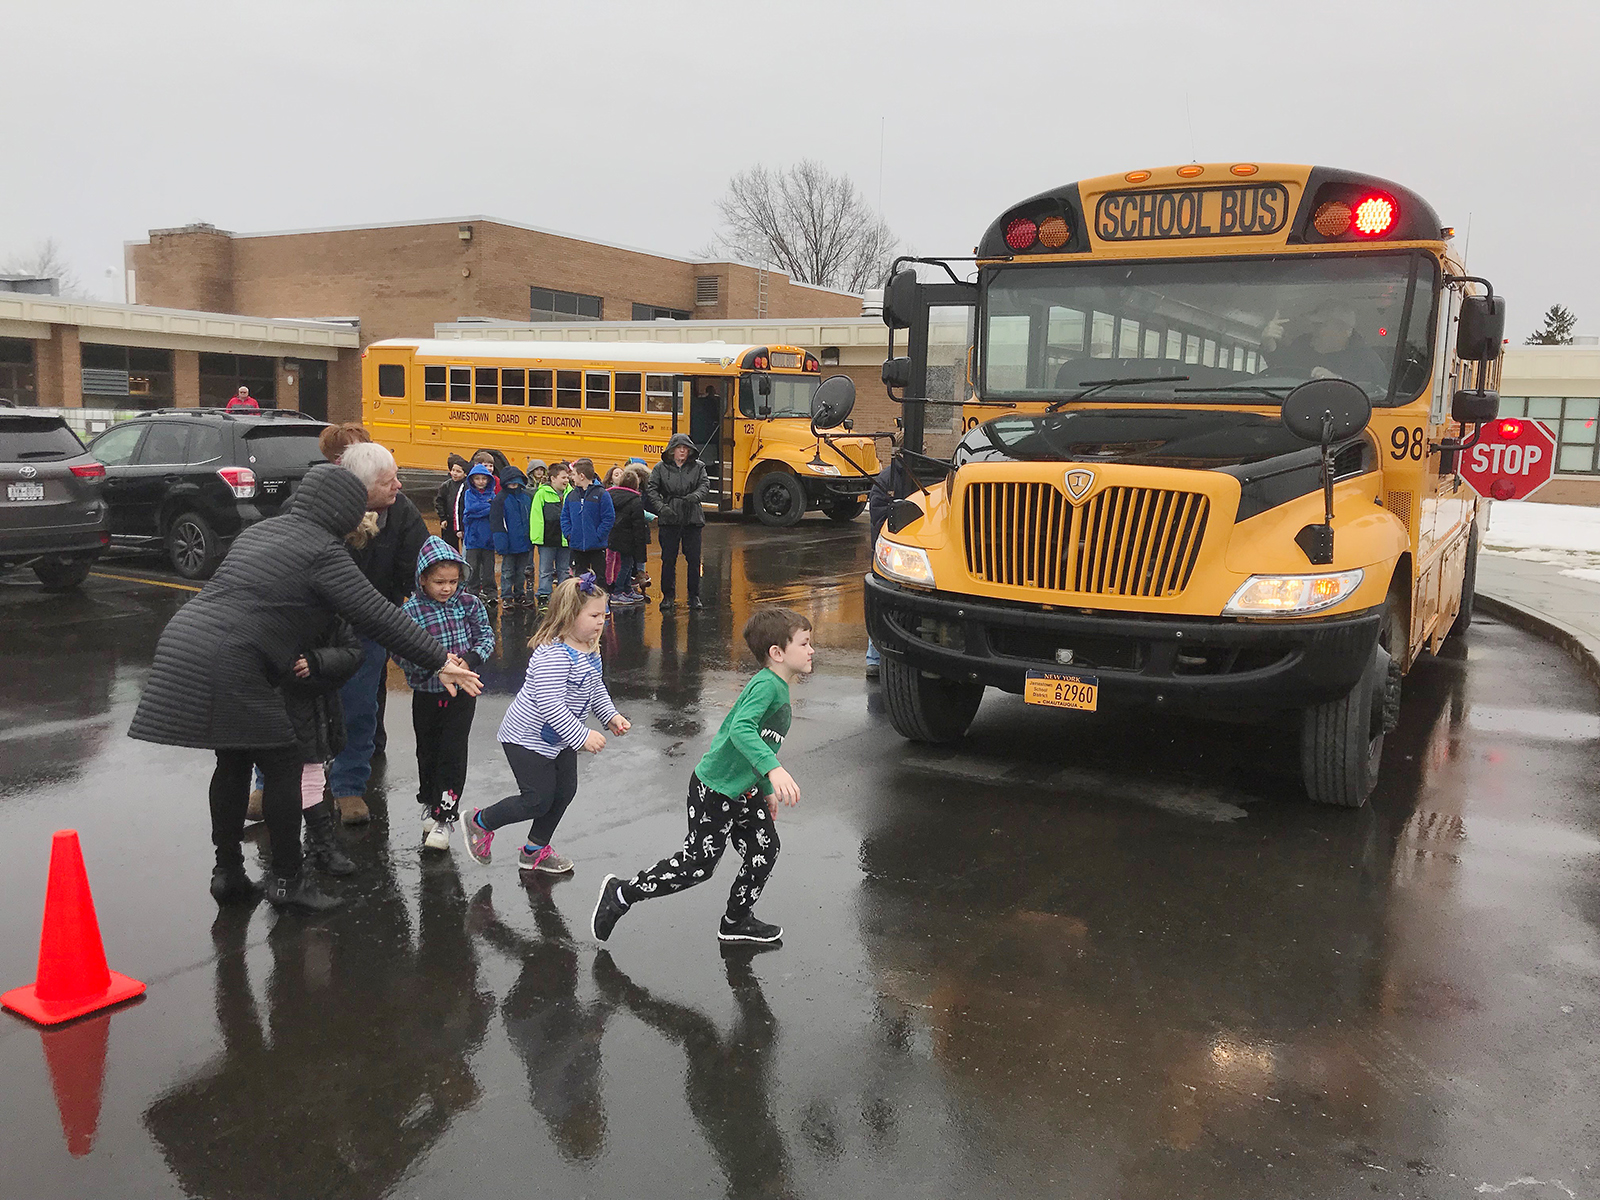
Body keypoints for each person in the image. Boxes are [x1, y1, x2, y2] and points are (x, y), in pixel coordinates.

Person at [127, 463, 481, 911]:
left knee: (233, 762)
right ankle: (287, 881)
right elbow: (377, 614)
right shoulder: (322, 550)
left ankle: (228, 874)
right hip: (238, 658)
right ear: (342, 509)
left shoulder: (262, 532)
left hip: (187, 640)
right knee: (283, 765)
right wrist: (440, 660)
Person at [591, 606, 812, 946]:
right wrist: (773, 769)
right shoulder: (767, 686)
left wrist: (765, 786)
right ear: (777, 653)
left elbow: (763, 741)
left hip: (745, 791)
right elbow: (741, 730)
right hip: (716, 791)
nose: (811, 650)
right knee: (697, 867)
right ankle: (621, 893)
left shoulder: (778, 687)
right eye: (804, 643)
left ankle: (736, 920)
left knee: (764, 851)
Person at [464, 573, 629, 874]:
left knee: (565, 791)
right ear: (569, 616)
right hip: (526, 738)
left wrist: (610, 716)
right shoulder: (553, 655)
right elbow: (550, 705)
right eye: (593, 615)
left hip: (559, 737)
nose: (600, 622)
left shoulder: (590, 648)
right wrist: (582, 736)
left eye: (603, 615)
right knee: (537, 800)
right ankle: (479, 822)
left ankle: (534, 850)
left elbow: (595, 687)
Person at [318, 430, 433, 826]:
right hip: (312, 623)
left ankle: (348, 788)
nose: (399, 486)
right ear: (360, 488)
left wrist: (439, 587)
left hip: (370, 624)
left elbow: (420, 562)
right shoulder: (321, 510)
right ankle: (270, 785)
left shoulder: (401, 511)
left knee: (360, 708)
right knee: (294, 707)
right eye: (389, 481)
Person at [395, 537, 495, 852]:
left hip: (462, 693)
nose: (446, 588)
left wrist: (470, 659)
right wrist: (433, 665)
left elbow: (486, 636)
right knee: (428, 750)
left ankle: (445, 816)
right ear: (422, 578)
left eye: (453, 581)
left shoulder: (469, 604)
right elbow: (400, 651)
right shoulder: (410, 611)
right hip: (426, 692)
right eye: (439, 581)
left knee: (452, 752)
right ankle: (429, 800)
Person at [282, 619, 364, 878]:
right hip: (278, 701)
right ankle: (294, 859)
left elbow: (353, 652)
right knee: (285, 779)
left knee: (312, 771)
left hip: (315, 703)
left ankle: (319, 848)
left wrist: (318, 662)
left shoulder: (329, 614)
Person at [645, 433, 709, 613]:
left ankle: (694, 595)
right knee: (668, 559)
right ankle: (668, 596)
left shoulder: (699, 467)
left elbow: (704, 485)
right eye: (679, 448)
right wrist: (661, 507)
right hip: (669, 517)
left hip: (692, 518)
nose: (682, 451)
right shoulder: (660, 468)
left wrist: (695, 497)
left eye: (685, 448)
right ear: (672, 450)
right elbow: (652, 489)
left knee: (694, 559)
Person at [1260, 304, 1387, 386]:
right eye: (1314, 324)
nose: (1315, 330)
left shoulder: (1367, 360)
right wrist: (1269, 343)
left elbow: (1380, 395)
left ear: (1345, 330)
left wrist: (1338, 382)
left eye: (1322, 325)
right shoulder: (1301, 346)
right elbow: (1279, 372)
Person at [864, 451, 907, 681]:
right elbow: (878, 516)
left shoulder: (917, 476)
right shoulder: (887, 479)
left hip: (908, 554)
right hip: (888, 551)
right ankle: (874, 658)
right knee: (881, 604)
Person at [561, 458, 615, 580]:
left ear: (582, 476)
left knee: (599, 579)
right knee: (580, 580)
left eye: (573, 474)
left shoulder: (602, 494)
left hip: (597, 547)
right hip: (577, 546)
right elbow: (565, 517)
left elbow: (608, 518)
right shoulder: (571, 495)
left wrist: (598, 536)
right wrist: (569, 534)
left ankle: (600, 599)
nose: (572, 478)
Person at [491, 464, 536, 609]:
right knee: (507, 572)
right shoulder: (500, 499)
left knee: (521, 571)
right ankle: (506, 596)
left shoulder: (526, 497)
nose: (513, 484)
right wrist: (501, 543)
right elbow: (498, 523)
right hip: (509, 543)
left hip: (524, 541)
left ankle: (519, 594)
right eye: (510, 481)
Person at [606, 464, 649, 606]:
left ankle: (626, 589)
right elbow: (638, 525)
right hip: (628, 537)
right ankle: (618, 591)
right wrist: (640, 545)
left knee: (623, 564)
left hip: (613, 535)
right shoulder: (635, 500)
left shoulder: (610, 495)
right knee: (627, 565)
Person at [532, 461, 572, 605]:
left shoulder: (570, 493)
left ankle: (563, 596)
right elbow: (536, 516)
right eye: (563, 477)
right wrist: (537, 538)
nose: (566, 480)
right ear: (553, 479)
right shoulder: (542, 493)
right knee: (545, 570)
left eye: (567, 477)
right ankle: (544, 595)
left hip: (565, 539)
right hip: (547, 539)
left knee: (564, 570)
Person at [460, 463, 498, 603]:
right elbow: (470, 509)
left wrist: (480, 511)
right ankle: (472, 592)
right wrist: (487, 508)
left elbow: (492, 511)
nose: (481, 482)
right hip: (473, 539)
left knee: (489, 570)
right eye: (477, 478)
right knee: (473, 568)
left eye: (484, 478)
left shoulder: (492, 495)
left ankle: (491, 593)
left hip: (488, 539)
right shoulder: (469, 494)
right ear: (472, 480)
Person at [433, 454, 470, 551]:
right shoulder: (446, 486)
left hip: (463, 522)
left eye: (458, 471)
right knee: (449, 548)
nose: (454, 473)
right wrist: (443, 518)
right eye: (453, 470)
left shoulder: (467, 487)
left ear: (465, 474)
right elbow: (439, 502)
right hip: (449, 522)